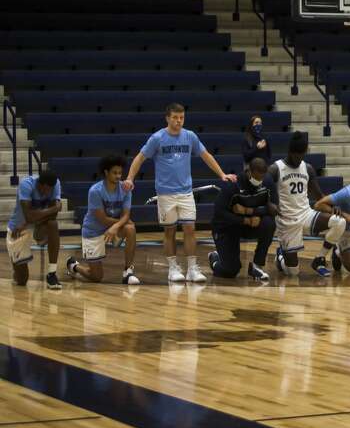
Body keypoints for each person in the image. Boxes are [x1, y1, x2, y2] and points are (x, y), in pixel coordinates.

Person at [124, 103, 236, 283]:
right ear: (167, 118)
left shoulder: (190, 136)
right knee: (170, 231)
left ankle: (192, 268)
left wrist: (222, 174)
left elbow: (206, 155)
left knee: (190, 229)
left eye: (182, 117)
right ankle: (172, 268)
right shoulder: (157, 138)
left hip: (186, 192)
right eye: (175, 117)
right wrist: (130, 178)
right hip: (165, 193)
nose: (179, 121)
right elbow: (140, 158)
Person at [268, 131, 346, 278]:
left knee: (340, 222)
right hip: (288, 221)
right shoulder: (275, 168)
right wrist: (269, 204)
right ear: (290, 152)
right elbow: (262, 189)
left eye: (302, 155)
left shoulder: (308, 168)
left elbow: (319, 195)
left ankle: (319, 258)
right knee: (293, 272)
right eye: (297, 155)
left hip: (306, 215)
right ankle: (280, 258)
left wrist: (332, 205)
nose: (299, 159)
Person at [66, 156, 139, 285]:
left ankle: (128, 271)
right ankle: (74, 266)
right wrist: (120, 223)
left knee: (130, 228)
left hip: (112, 228)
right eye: (115, 173)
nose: (118, 176)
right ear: (106, 172)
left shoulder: (125, 189)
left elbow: (126, 215)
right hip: (93, 231)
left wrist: (116, 226)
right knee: (96, 277)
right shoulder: (95, 191)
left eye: (120, 173)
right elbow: (102, 219)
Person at [207, 158, 278, 281]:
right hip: (226, 227)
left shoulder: (267, 182)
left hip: (248, 224)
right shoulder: (233, 184)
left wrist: (249, 211)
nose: (259, 181)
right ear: (248, 172)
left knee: (269, 223)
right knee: (231, 270)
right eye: (256, 178)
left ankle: (257, 265)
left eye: (261, 178)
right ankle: (215, 259)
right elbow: (220, 213)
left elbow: (274, 209)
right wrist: (245, 220)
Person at [5, 171, 63, 289]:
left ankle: (52, 274)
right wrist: (53, 208)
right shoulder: (26, 185)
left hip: (38, 224)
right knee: (22, 280)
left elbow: (54, 215)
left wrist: (39, 219)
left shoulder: (55, 183)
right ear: (39, 184)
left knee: (53, 224)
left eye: (50, 190)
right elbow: (29, 216)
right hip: (18, 228)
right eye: (45, 189)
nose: (48, 193)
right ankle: (15, 262)